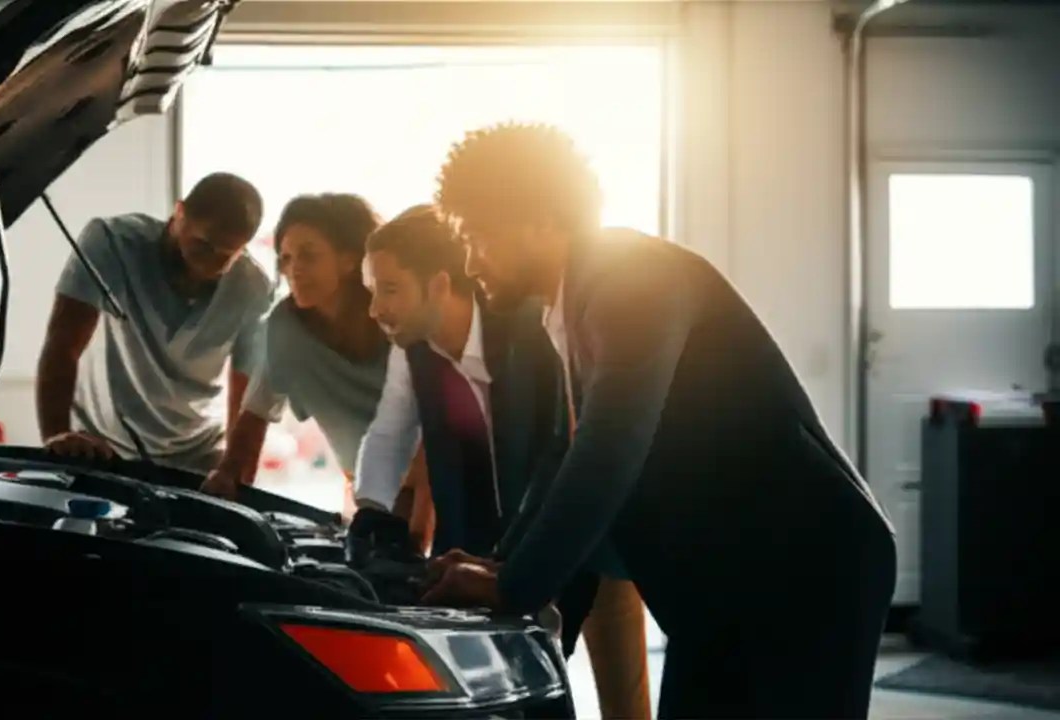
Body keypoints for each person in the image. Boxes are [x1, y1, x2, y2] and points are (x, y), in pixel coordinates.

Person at [422, 122, 898, 719]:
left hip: (808, 571)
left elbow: (608, 449)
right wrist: (501, 565)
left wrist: (515, 584)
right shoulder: (572, 304)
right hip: (726, 584)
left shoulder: (631, 278)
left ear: (538, 219)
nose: (470, 260)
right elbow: (562, 455)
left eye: (478, 236)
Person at [355, 205, 618, 669]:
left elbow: (568, 453)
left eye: (389, 290)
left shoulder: (534, 329)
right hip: (494, 558)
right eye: (372, 292)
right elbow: (390, 437)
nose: (375, 309)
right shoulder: (417, 351)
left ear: (438, 284)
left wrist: (516, 572)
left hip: (580, 544)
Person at [201, 193, 429, 535]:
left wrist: (409, 513)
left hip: (436, 491)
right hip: (368, 499)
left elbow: (441, 429)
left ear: (350, 259)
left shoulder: (396, 317)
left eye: (308, 255)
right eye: (286, 257)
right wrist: (227, 479)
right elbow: (254, 417)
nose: (294, 269)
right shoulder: (285, 329)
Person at [35, 172, 271, 475]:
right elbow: (62, 345)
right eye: (203, 245)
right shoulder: (111, 243)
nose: (208, 265)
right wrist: (57, 436)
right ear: (179, 212)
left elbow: (249, 394)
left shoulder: (253, 288)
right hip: (100, 445)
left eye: (226, 256)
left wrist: (236, 470)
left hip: (197, 453)